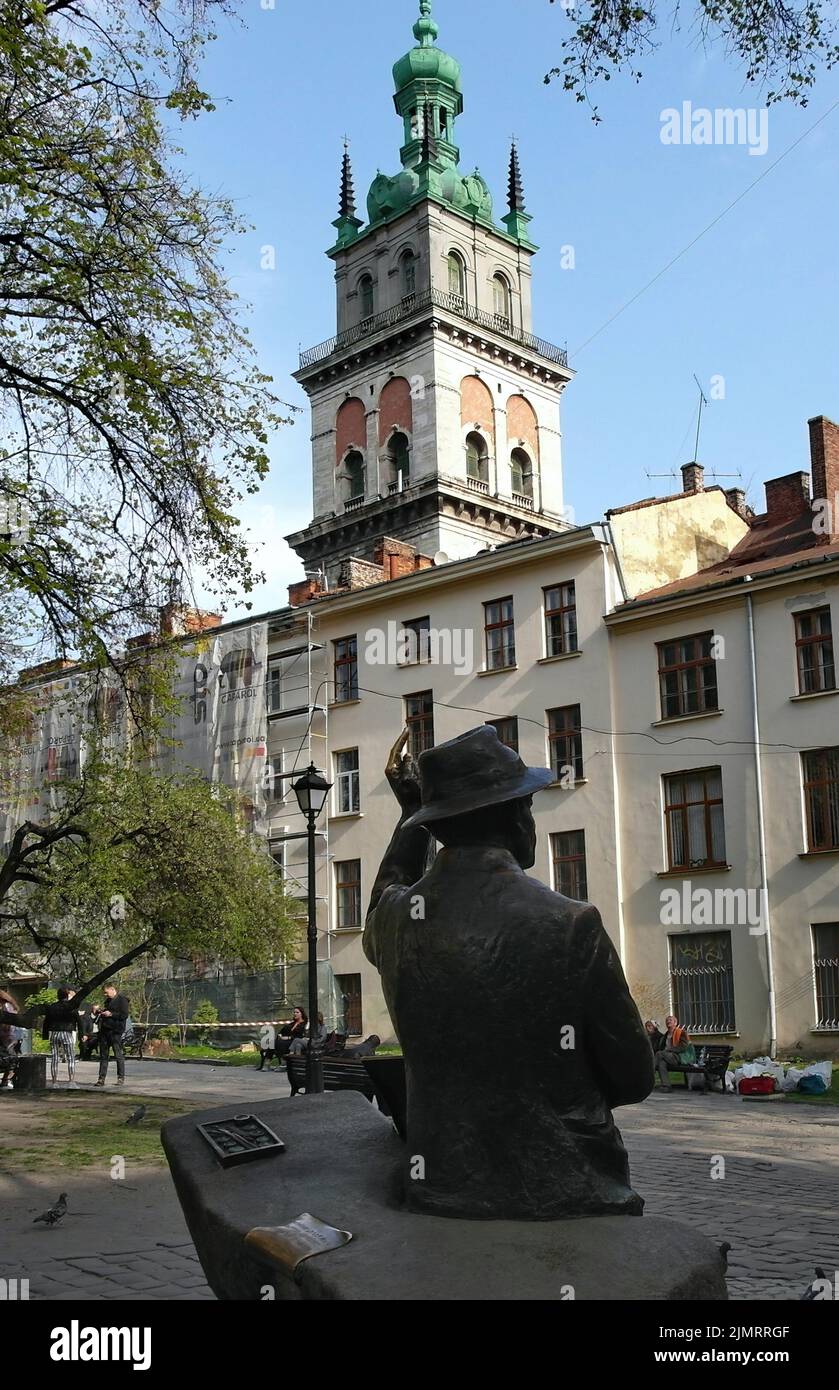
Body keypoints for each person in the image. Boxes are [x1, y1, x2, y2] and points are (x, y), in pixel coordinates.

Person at [364, 725, 654, 1221]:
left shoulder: (396, 919)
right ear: (515, 815)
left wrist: (411, 815)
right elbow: (633, 1077)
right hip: (567, 1186)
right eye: (527, 805)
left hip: (441, 1183)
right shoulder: (570, 923)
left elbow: (387, 889)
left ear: (436, 827)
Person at [41, 987, 80, 1086]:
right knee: (71, 1057)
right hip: (67, 1032)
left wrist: (45, 1035)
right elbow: (79, 1020)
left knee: (54, 1058)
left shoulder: (52, 1007)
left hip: (54, 1033)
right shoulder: (71, 1007)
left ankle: (54, 1081)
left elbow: (46, 1022)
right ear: (67, 996)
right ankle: (71, 1080)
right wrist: (82, 1034)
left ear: (58, 996)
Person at [95, 984, 130, 1086]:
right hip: (105, 1030)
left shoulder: (122, 1000)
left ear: (112, 989)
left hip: (115, 1031)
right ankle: (101, 1079)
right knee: (103, 1056)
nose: (105, 995)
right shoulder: (108, 1001)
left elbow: (124, 1015)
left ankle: (120, 1077)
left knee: (118, 1054)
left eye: (107, 992)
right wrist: (101, 1012)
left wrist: (111, 1014)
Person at [654, 1014, 695, 1090]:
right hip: (667, 1057)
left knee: (659, 1053)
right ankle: (666, 1086)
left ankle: (649, 1074)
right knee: (661, 1064)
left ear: (675, 1023)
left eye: (670, 1020)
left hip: (679, 1057)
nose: (668, 1022)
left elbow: (683, 1047)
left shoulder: (681, 1033)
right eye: (667, 1021)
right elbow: (662, 1047)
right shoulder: (665, 1035)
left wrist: (670, 1049)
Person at [0, 989, 21, 1089]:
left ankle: (6, 1080)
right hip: (13, 1035)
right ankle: (5, 1080)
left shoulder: (6, 1007)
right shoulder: (12, 1006)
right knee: (10, 1057)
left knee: (8, 1057)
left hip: (7, 1036)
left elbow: (6, 1025)